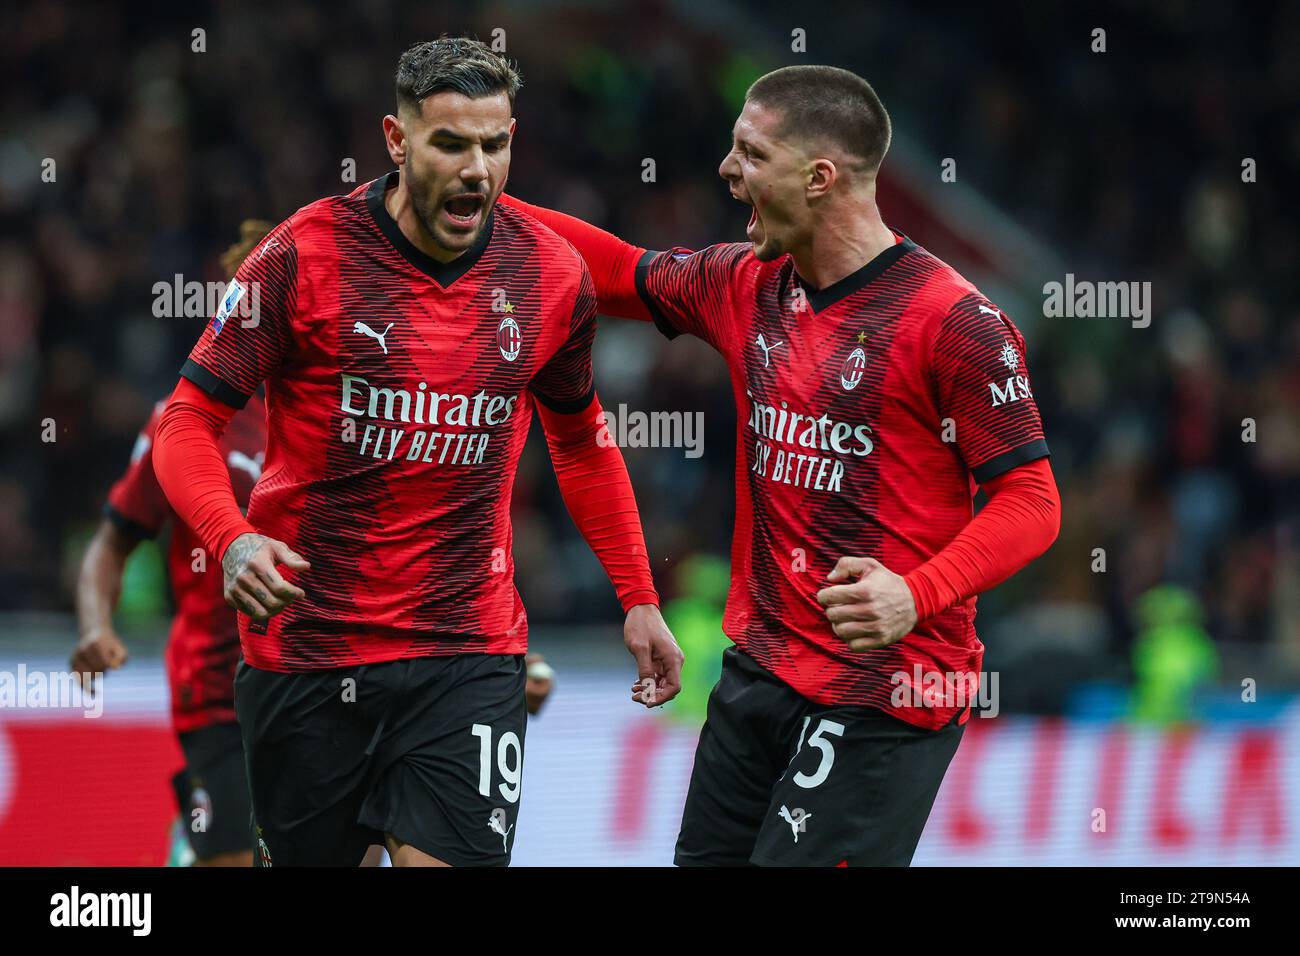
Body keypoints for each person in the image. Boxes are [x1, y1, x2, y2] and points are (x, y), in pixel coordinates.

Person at [499, 64, 1061, 866]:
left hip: (885, 693)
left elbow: (1033, 502)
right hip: (759, 673)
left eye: (750, 154)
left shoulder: (955, 322)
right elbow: (618, 271)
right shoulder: (746, 283)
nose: (728, 171)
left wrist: (915, 592)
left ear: (820, 176)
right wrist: (471, 185)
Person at [151, 36, 682, 867]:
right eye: (451, 143)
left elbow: (580, 440)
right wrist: (235, 537)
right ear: (397, 142)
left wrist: (639, 595)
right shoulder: (303, 254)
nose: (478, 169)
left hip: (466, 651)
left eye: (495, 144)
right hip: (308, 650)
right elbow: (186, 419)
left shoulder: (548, 273)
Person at [73, 219, 274, 867]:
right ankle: (196, 842)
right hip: (219, 693)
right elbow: (111, 542)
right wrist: (95, 625)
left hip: (323, 683)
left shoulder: (350, 415)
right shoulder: (184, 421)